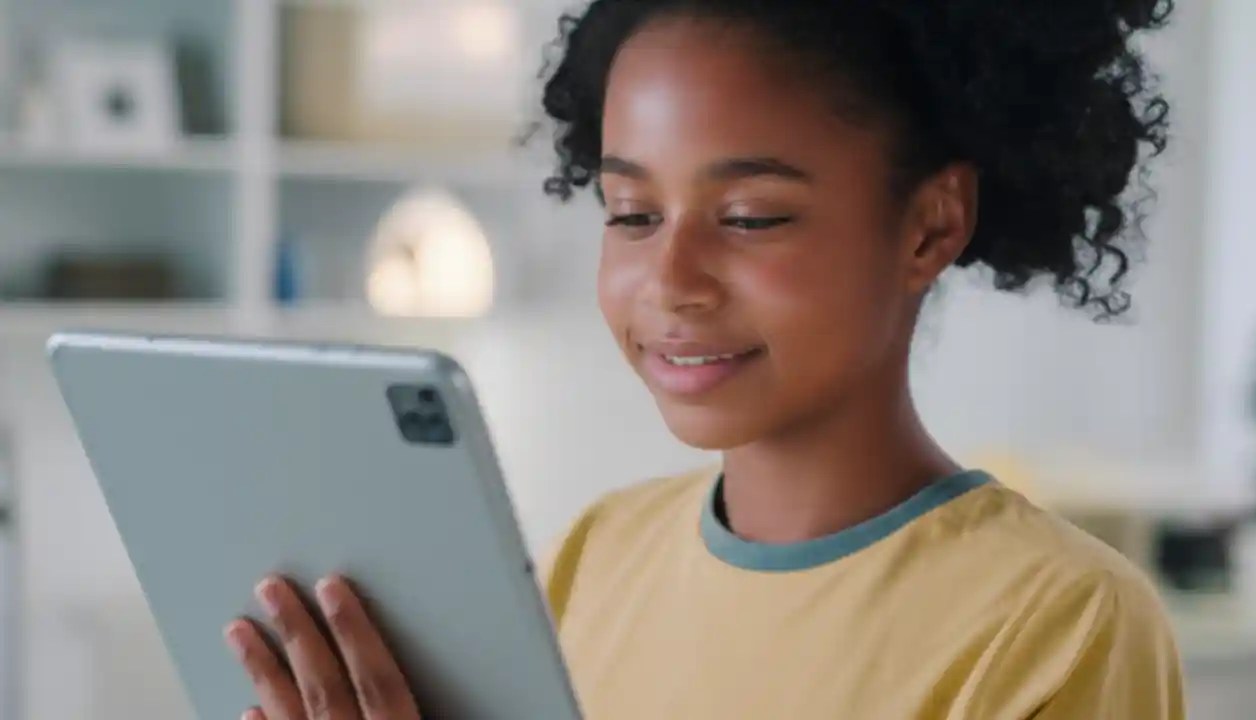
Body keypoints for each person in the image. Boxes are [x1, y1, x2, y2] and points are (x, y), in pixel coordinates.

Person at [222, 1, 1185, 718]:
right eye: (632, 215)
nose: (671, 279)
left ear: (931, 227)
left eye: (750, 218)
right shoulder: (592, 558)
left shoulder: (1058, 623)